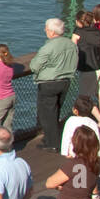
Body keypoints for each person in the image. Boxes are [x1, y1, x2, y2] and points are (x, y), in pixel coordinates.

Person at [30, 18, 77, 151]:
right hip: (65, 81)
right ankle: (54, 139)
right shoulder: (71, 44)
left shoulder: (48, 47)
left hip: (48, 83)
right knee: (56, 111)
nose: (45, 31)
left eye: (46, 28)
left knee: (46, 114)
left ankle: (52, 144)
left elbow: (34, 66)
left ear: (51, 32)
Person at [73, 10, 100, 112]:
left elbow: (73, 49)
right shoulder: (97, 31)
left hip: (89, 69)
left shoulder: (77, 32)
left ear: (79, 22)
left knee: (84, 98)